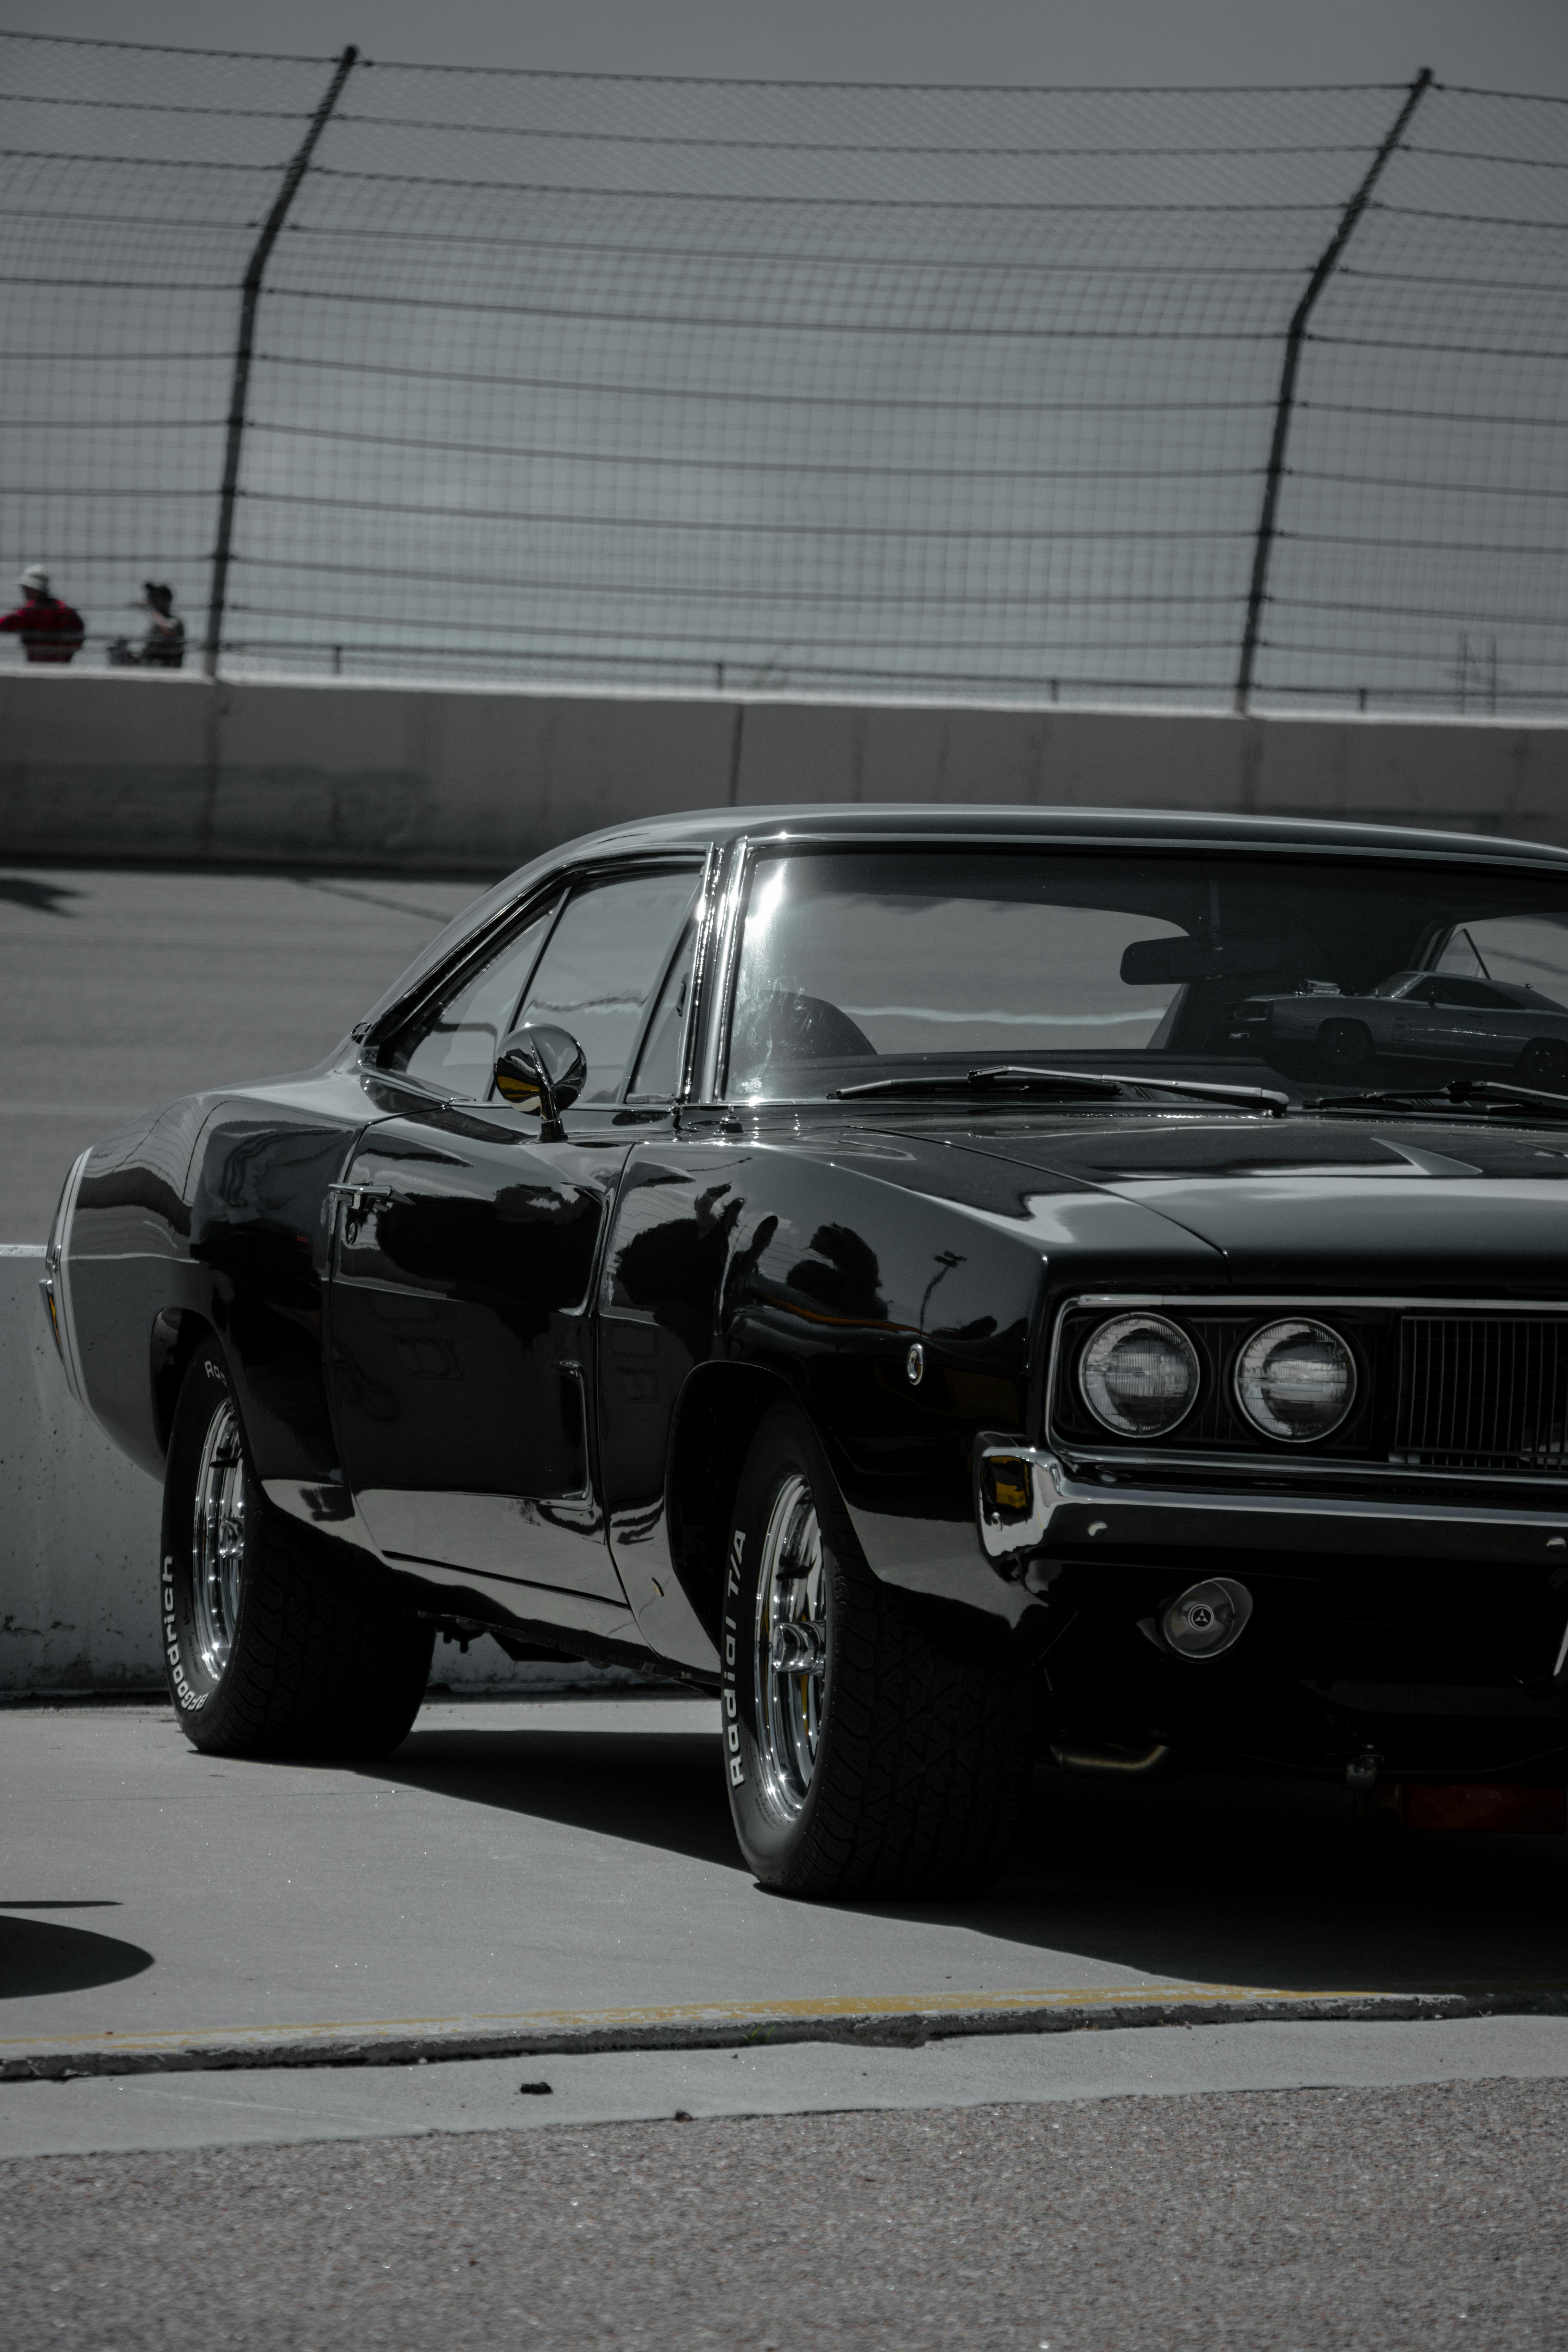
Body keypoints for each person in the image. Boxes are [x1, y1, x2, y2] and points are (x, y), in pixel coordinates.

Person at [0, 565, 85, 664]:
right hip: (62, 667)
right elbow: (79, 636)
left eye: (27, 589)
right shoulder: (65, 610)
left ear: (35, 590)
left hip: (37, 667)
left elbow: (6, 623)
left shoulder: (30, 611)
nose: (24, 592)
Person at [108, 582, 186, 669]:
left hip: (165, 666)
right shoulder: (156, 624)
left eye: (156, 598)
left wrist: (151, 609)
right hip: (149, 663)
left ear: (168, 600)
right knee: (119, 649)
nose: (153, 601)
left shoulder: (176, 621)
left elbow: (168, 629)